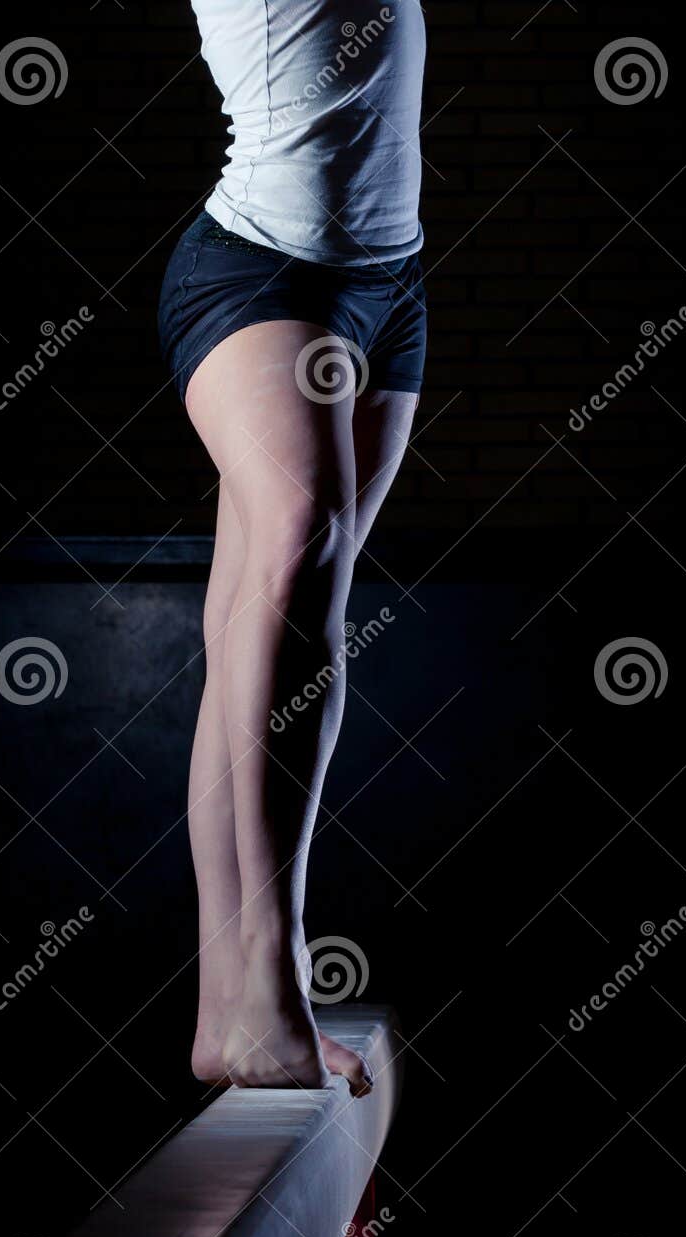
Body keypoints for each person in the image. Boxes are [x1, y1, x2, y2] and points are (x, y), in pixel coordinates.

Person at [158, 0, 427, 1093]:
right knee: (295, 542)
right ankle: (266, 986)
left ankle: (234, 998)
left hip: (390, 284)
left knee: (254, 623)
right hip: (260, 270)